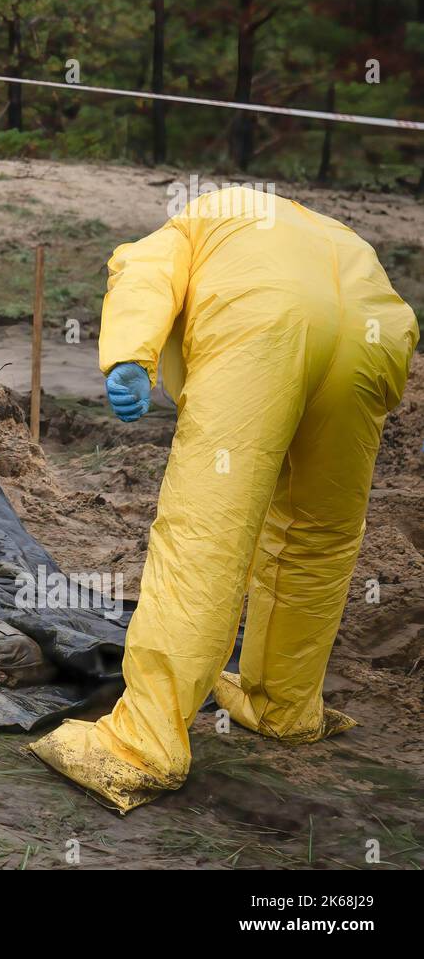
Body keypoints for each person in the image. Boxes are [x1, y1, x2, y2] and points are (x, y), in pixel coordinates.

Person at [29, 187, 419, 812]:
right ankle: (284, 706)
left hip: (265, 326)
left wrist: (130, 356)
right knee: (319, 534)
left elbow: (144, 270)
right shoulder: (322, 231)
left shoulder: (192, 224)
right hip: (374, 338)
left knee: (207, 532)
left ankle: (140, 747)